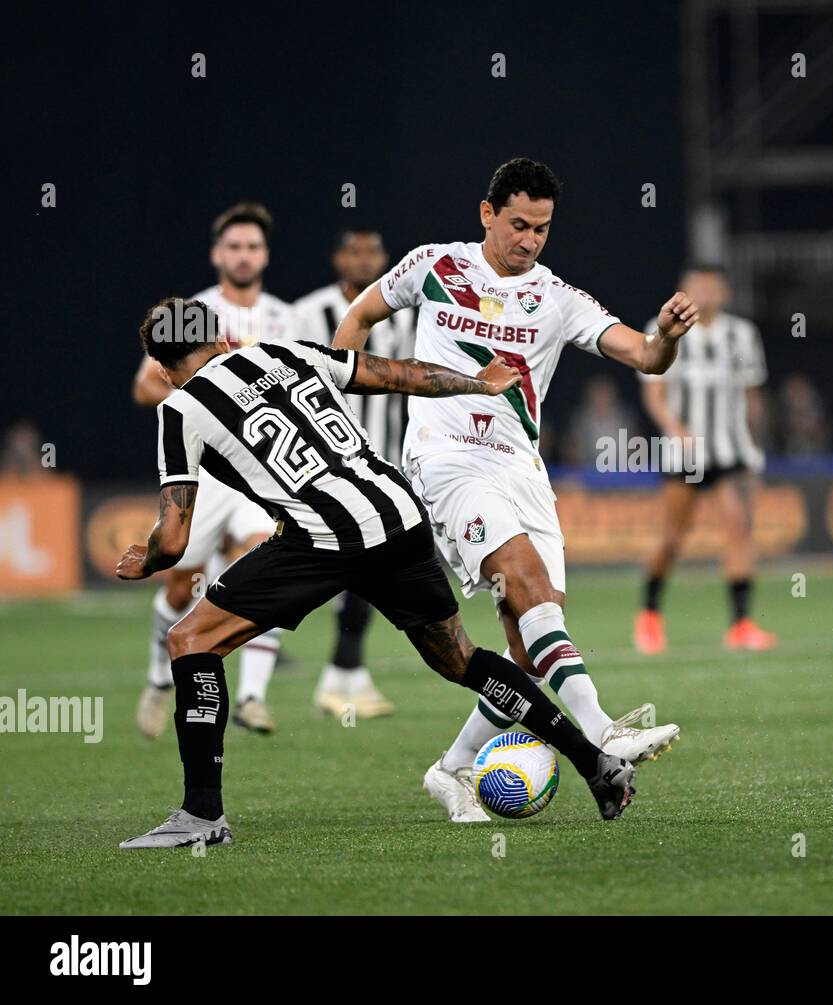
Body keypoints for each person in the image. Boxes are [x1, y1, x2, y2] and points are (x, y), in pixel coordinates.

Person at [117, 297, 637, 848]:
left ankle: (202, 814)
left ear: (161, 370)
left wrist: (145, 558)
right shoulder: (284, 352)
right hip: (399, 513)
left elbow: (173, 539)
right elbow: (397, 374)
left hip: (324, 536)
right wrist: (478, 384)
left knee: (190, 640)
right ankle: (596, 764)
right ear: (222, 338)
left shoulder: (178, 410)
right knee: (460, 658)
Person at [333, 157, 691, 822]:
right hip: (447, 459)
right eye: (519, 224)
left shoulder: (556, 297)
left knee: (528, 645)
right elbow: (357, 320)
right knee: (523, 579)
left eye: (543, 229)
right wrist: (344, 406)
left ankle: (452, 768)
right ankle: (603, 731)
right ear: (487, 214)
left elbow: (643, 356)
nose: (529, 240)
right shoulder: (436, 266)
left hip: (520, 470)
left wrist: (665, 336)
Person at [131, 203, 295, 738]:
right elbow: (145, 386)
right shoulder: (191, 313)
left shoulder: (284, 317)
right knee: (182, 585)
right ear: (217, 255)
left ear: (264, 255)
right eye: (234, 247)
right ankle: (159, 678)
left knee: (260, 557)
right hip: (204, 471)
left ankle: (251, 696)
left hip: (259, 471)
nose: (243, 255)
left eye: (252, 247)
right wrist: (211, 401)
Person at [294, 226, 417, 719]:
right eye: (355, 250)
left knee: (368, 566)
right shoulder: (308, 312)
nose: (365, 260)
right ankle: (334, 674)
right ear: (337, 257)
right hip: (325, 463)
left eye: (374, 251)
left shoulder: (406, 317)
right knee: (355, 565)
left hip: (387, 458)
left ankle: (345, 674)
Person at [633, 263, 775, 654]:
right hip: (686, 452)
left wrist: (756, 445)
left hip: (732, 450)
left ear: (724, 291)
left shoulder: (742, 334)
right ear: (683, 290)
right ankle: (649, 616)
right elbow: (654, 392)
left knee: (739, 531)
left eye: (713, 286)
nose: (706, 293)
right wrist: (674, 429)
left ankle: (742, 624)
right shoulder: (663, 327)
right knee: (673, 537)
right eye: (698, 286)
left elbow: (752, 395)